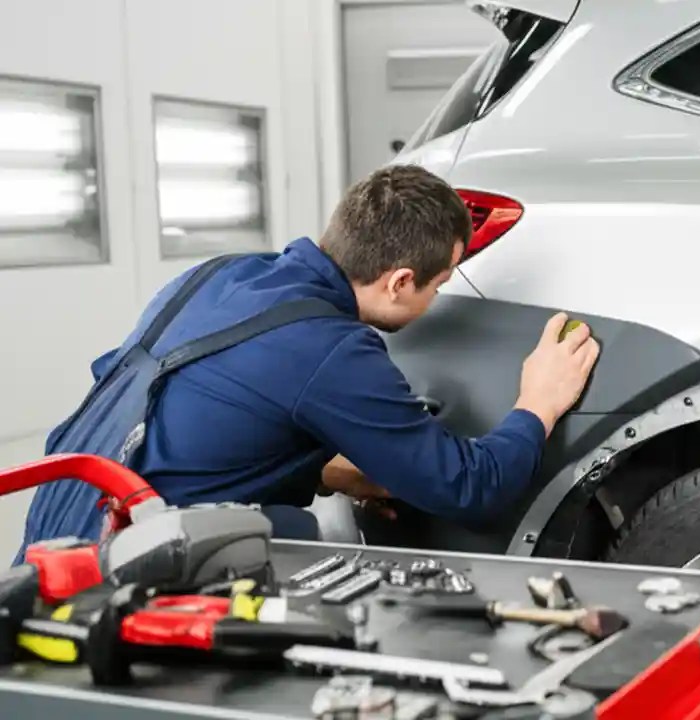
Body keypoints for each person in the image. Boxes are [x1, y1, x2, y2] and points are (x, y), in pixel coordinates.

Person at [14, 165, 599, 562]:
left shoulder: (217, 274)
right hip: (112, 579)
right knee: (303, 540)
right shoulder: (331, 348)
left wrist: (317, 471)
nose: (437, 300)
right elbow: (470, 489)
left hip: (44, 545)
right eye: (439, 284)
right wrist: (537, 404)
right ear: (399, 282)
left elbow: (191, 420)